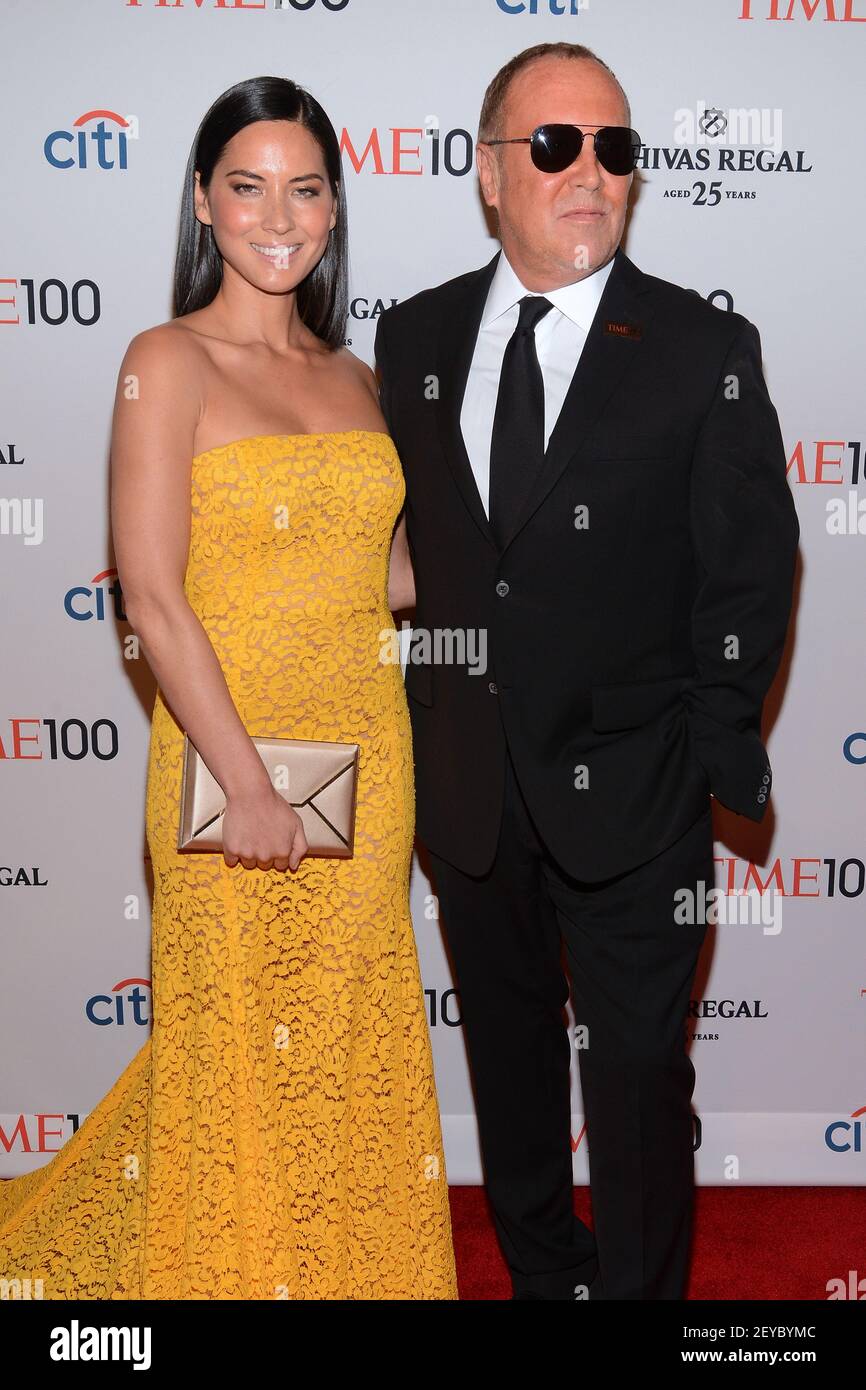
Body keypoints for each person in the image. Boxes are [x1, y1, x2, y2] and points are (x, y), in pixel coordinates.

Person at [0, 75, 456, 1301]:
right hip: (228, 761)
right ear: (204, 202)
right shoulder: (167, 361)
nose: (277, 213)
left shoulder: (357, 378)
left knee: (348, 1047)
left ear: (332, 206)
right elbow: (150, 596)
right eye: (246, 185)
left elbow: (396, 576)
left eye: (304, 187)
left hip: (368, 754)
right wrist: (244, 784)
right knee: (235, 1054)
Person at [374, 42, 799, 1300]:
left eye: (614, 148)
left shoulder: (697, 346)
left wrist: (706, 752)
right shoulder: (415, 338)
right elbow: (411, 551)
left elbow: (750, 573)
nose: (589, 173)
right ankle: (543, 1275)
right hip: (468, 794)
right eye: (555, 145)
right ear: (488, 172)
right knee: (506, 1073)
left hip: (636, 797)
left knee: (632, 1085)